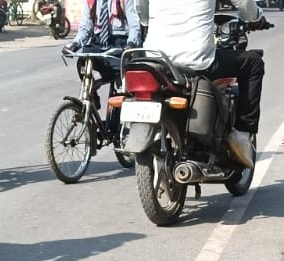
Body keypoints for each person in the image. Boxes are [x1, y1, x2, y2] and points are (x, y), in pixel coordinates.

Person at [144, 0, 270, 169]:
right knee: (254, 64)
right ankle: (241, 134)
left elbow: (142, 12)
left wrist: (150, 19)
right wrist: (255, 18)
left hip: (155, 58)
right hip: (196, 58)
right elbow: (245, 4)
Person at [68, 0, 141, 49]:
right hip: (98, 42)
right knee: (83, 62)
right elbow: (85, 28)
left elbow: (134, 24)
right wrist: (75, 43)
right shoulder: (91, 1)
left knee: (119, 67)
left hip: (119, 43)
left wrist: (131, 43)